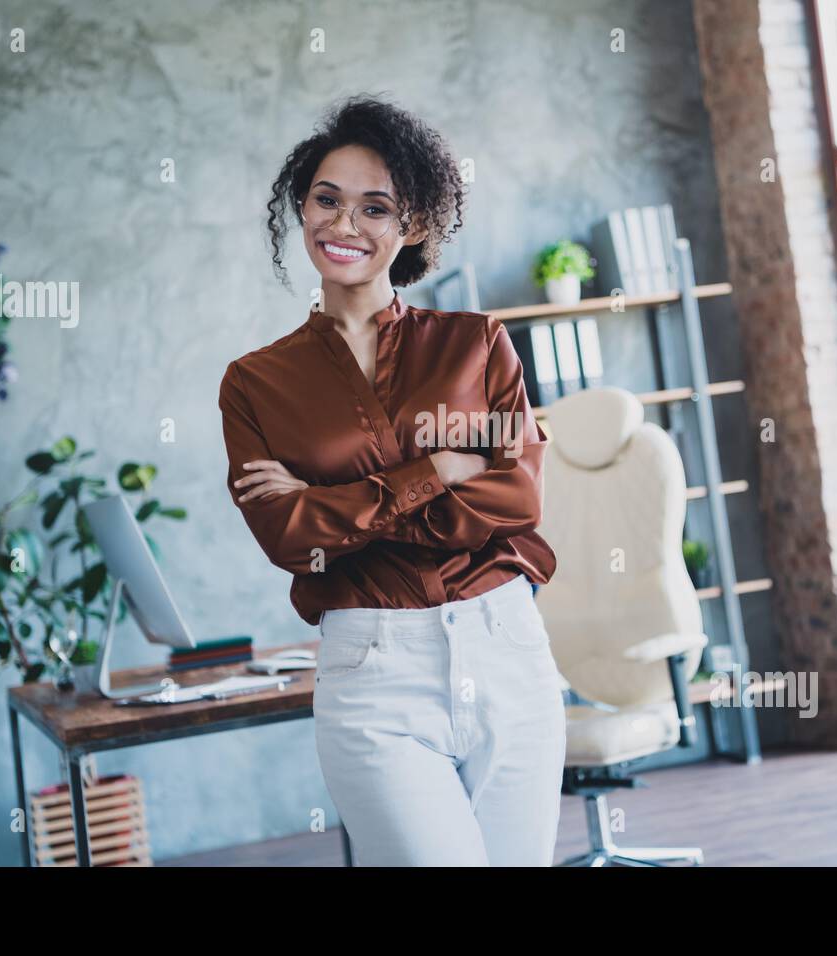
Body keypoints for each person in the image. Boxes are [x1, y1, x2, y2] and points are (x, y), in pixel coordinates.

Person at [217, 94, 565, 866]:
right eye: (326, 201)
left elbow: (519, 498)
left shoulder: (477, 344)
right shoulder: (254, 383)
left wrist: (334, 508)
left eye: (375, 208)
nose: (345, 226)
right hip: (372, 672)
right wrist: (438, 469)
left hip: (506, 645)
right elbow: (288, 540)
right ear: (299, 209)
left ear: (411, 227)